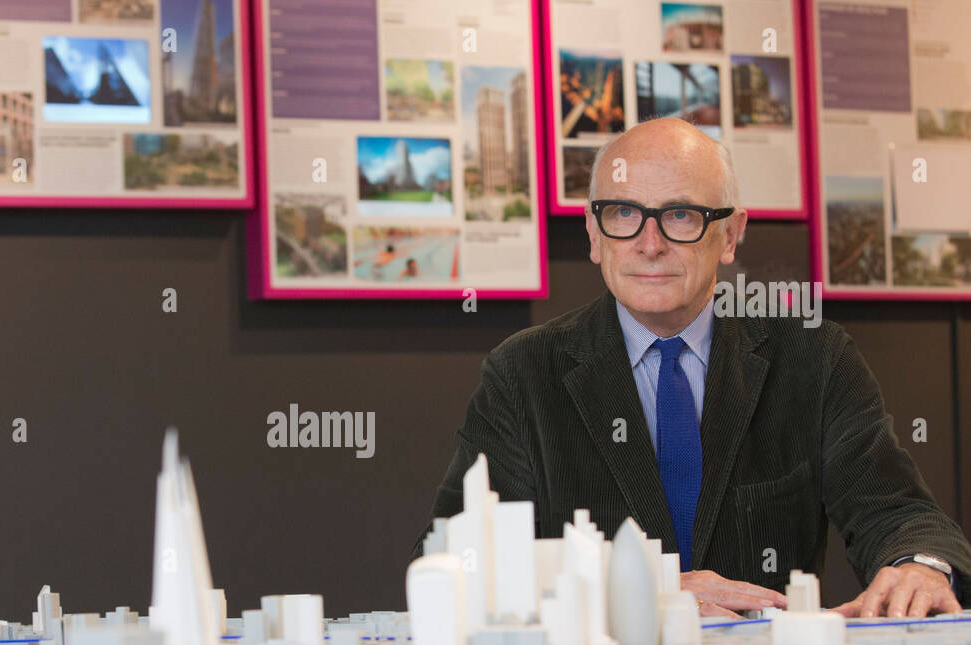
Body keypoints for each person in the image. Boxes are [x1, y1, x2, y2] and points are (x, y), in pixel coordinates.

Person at [415, 117, 970, 618]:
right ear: (592, 234)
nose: (649, 244)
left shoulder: (812, 358)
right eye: (624, 214)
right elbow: (452, 563)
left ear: (730, 235)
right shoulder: (523, 372)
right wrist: (643, 591)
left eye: (681, 215)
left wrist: (920, 566)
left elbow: (896, 511)